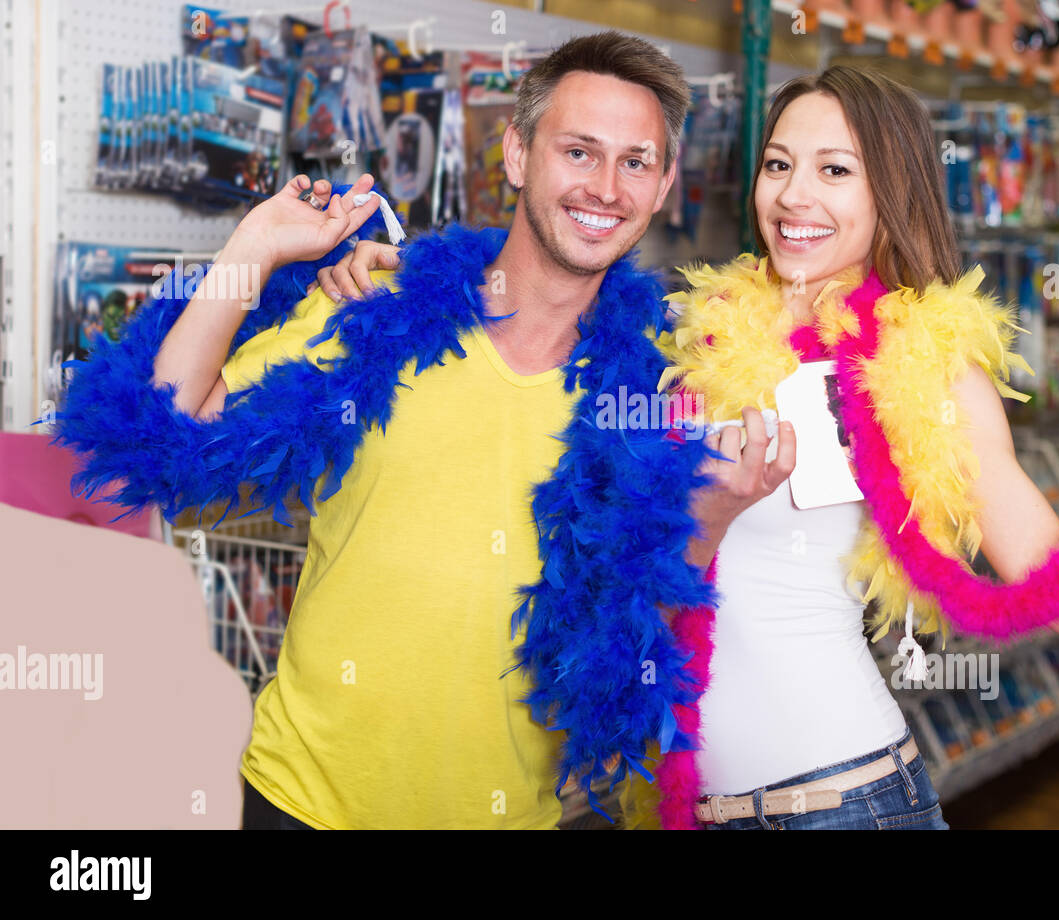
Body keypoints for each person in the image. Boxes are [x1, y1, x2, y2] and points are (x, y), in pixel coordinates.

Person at [333, 65, 1059, 830]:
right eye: (779, 164)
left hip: (844, 804)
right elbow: (546, 307)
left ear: (888, 191)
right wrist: (406, 276)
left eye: (835, 171)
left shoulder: (926, 369)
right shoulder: (693, 329)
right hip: (697, 806)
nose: (795, 196)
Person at [50, 31, 715, 830]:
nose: (605, 187)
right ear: (514, 152)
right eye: (579, 151)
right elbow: (166, 426)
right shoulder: (377, 309)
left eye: (635, 162)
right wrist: (254, 248)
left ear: (665, 182)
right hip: (300, 801)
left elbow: (658, 617)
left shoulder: (661, 388)